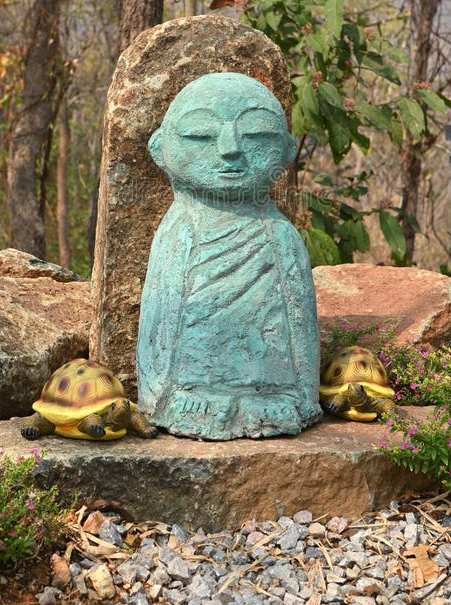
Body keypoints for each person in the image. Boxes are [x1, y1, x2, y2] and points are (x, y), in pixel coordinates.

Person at [136, 72, 322, 440]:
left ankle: (272, 394)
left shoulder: (280, 235)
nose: (229, 148)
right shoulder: (178, 233)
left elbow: (301, 330)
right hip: (189, 391)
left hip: (272, 389)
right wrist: (159, 394)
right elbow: (161, 328)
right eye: (200, 136)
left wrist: (303, 394)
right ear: (161, 149)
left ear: (286, 149)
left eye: (256, 135)